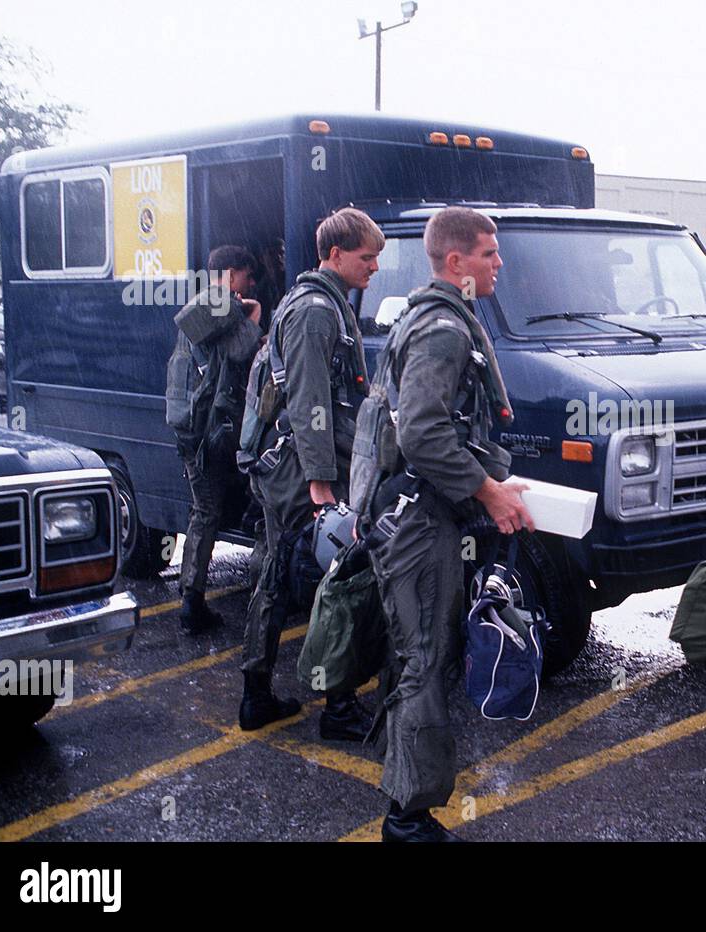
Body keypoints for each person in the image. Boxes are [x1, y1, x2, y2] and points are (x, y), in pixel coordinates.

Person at [350, 206, 531, 843]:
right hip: (421, 522)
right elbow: (423, 431)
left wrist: (490, 482)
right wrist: (487, 491)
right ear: (456, 262)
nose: (498, 262)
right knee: (424, 660)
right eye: (489, 252)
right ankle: (407, 820)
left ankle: (407, 800)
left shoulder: (433, 316)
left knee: (416, 658)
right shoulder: (443, 330)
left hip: (424, 515)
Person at [238, 208, 381, 739]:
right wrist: (321, 482)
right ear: (335, 255)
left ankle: (258, 695)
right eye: (367, 258)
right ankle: (337, 709)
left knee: (279, 577)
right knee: (338, 580)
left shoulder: (317, 303)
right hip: (303, 471)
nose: (373, 267)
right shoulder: (318, 311)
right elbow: (309, 402)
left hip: (292, 468)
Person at [166, 245, 262, 634]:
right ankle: (193, 602)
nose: (251, 282)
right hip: (210, 431)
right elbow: (242, 351)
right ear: (230, 274)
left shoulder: (205, 310)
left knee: (204, 512)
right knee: (212, 512)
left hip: (191, 429)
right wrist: (253, 315)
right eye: (247, 275)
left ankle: (193, 598)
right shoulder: (221, 308)